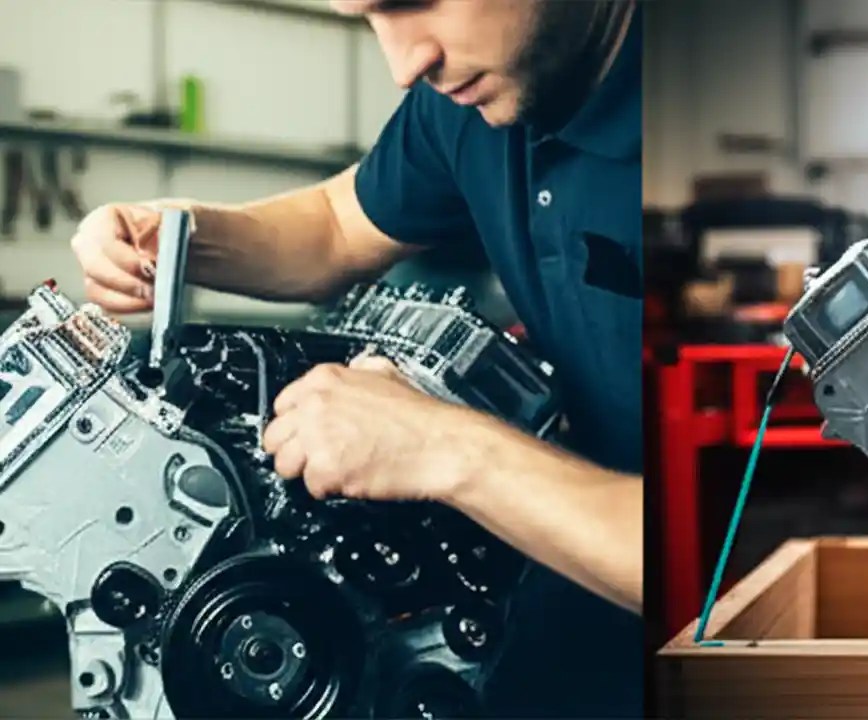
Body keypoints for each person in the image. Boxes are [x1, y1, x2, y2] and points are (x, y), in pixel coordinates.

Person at [68, 0, 643, 716]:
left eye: (414, 0)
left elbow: (739, 563)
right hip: (562, 606)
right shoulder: (472, 101)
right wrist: (171, 232)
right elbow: (338, 225)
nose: (403, 65)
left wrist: (443, 448)